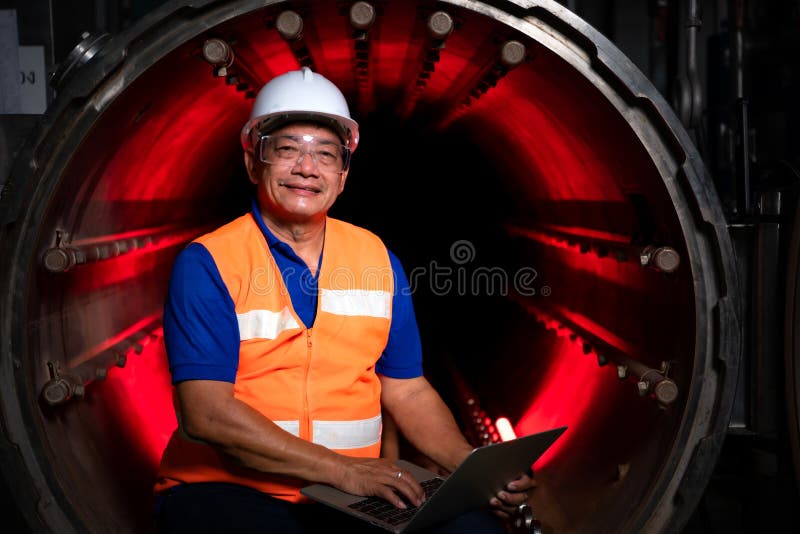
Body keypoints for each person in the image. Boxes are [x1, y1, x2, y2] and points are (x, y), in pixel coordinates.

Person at [153, 66, 534, 533]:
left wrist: (472, 466)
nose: (307, 168)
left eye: (326, 154)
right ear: (254, 162)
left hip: (348, 496)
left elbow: (408, 390)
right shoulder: (208, 262)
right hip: (226, 490)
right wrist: (344, 470)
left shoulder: (375, 258)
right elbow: (207, 413)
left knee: (474, 531)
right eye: (287, 149)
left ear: (343, 175)